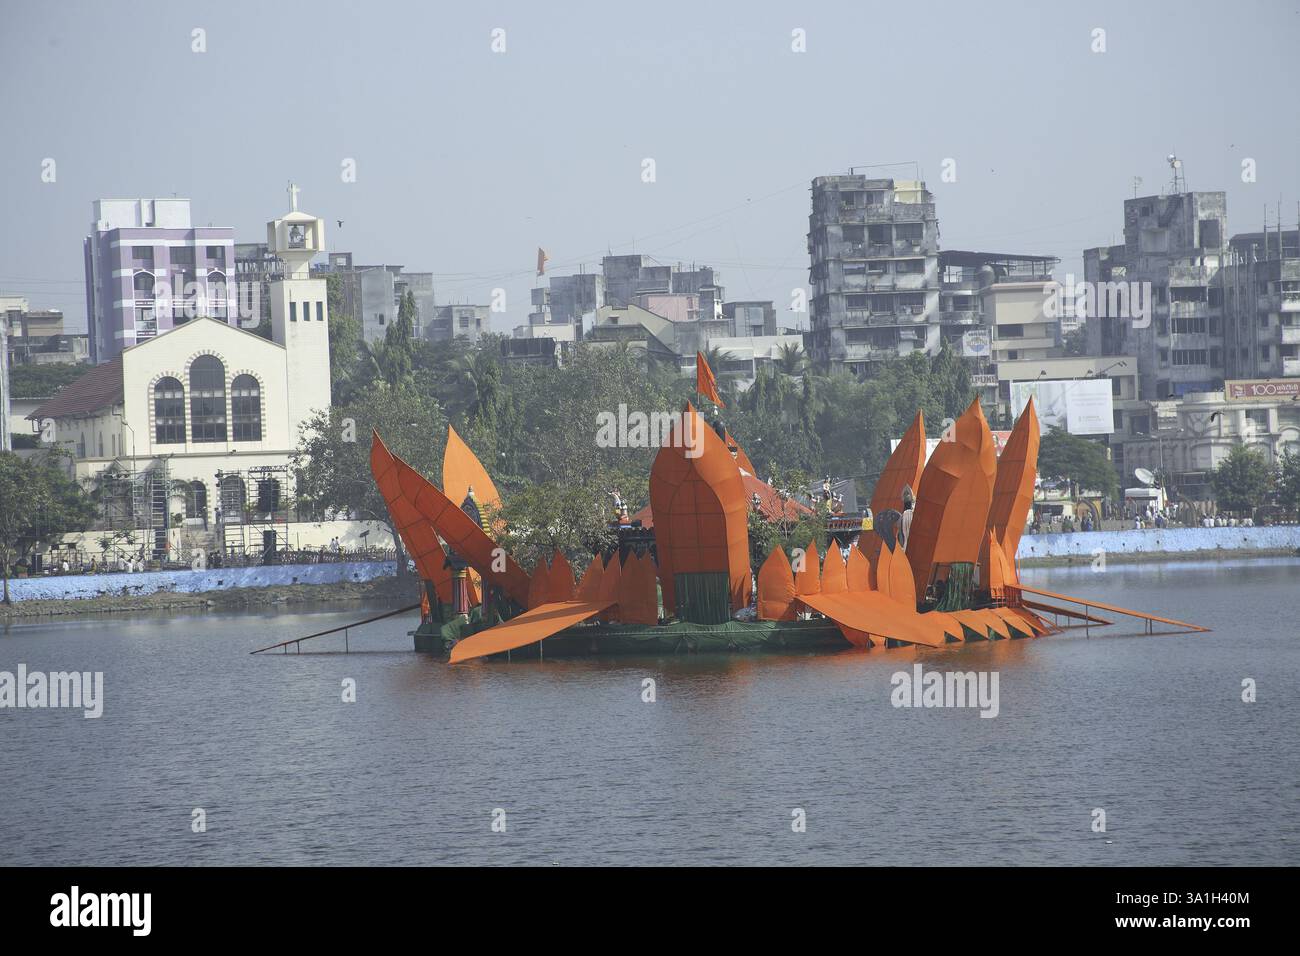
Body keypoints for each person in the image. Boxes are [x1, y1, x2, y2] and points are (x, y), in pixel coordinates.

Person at [899, 485, 915, 551]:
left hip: (908, 515)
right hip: (907, 515)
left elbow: (907, 490)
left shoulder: (911, 499)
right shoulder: (909, 499)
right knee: (903, 531)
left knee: (904, 531)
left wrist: (907, 488)